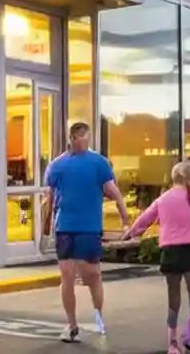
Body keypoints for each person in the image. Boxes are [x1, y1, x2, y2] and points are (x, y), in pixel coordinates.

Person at [121, 161, 190, 354]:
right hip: (187, 250)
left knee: (174, 299)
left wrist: (131, 233)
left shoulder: (163, 198)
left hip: (168, 252)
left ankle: (172, 343)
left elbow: (145, 218)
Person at [41, 121, 130, 343]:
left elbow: (114, 192)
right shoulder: (57, 165)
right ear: (71, 138)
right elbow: (48, 200)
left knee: (93, 276)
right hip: (65, 228)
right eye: (79, 137)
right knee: (67, 277)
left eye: (84, 137)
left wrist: (125, 219)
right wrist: (43, 230)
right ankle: (72, 325)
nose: (82, 141)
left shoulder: (98, 163)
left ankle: (98, 316)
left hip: (89, 229)